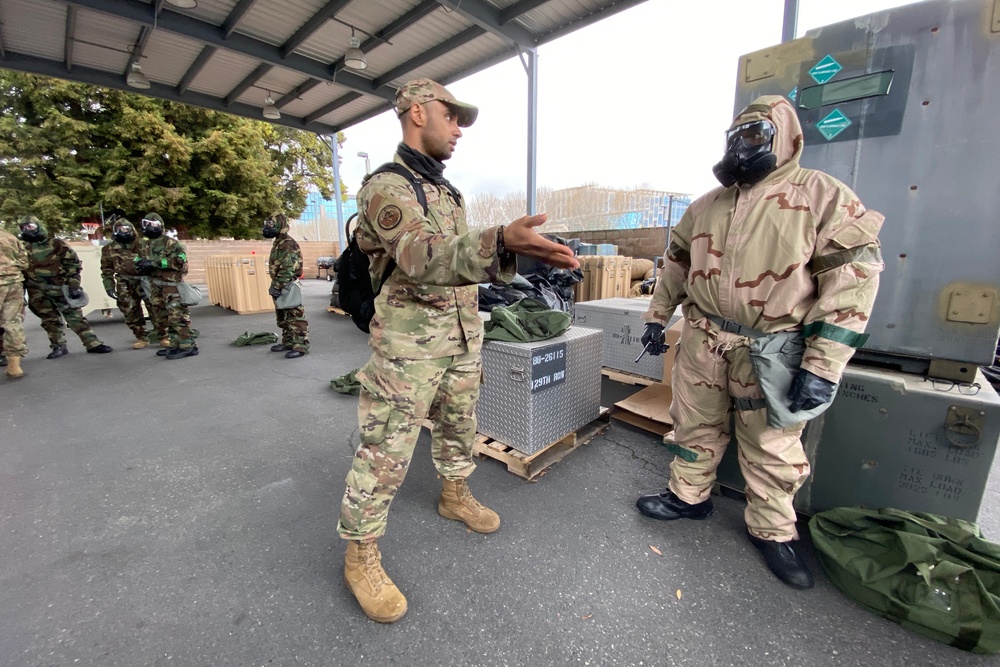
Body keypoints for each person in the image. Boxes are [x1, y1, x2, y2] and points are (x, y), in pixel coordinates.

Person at [336, 78, 578, 623]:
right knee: (385, 449)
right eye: (452, 115)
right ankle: (361, 554)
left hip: (462, 336)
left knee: (458, 425)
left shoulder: (446, 191)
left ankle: (454, 494)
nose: (459, 127)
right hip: (409, 347)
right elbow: (422, 257)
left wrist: (511, 255)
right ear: (417, 112)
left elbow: (458, 260)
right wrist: (501, 240)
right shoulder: (384, 189)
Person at [635, 95, 884, 590]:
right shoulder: (706, 205)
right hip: (703, 339)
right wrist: (657, 316)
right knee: (693, 424)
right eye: (738, 137)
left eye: (756, 136)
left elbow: (853, 282)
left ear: (785, 137)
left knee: (771, 443)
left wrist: (822, 364)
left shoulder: (822, 196)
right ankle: (688, 497)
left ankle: (773, 531)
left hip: (771, 347)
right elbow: (677, 265)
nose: (744, 147)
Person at [18, 216, 113, 358]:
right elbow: (18, 271)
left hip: (60, 287)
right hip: (36, 290)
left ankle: (92, 344)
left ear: (38, 226)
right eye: (24, 227)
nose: (27, 230)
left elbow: (73, 264)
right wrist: (20, 293)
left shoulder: (55, 244)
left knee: (75, 316)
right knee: (49, 320)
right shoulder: (21, 248)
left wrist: (73, 285)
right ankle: (58, 346)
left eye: (30, 226)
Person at [134, 213, 198, 360]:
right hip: (155, 285)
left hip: (172, 286)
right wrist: (141, 266)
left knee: (177, 316)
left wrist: (154, 263)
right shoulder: (144, 245)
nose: (150, 227)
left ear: (161, 226)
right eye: (146, 224)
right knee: (162, 317)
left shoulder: (172, 243)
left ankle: (188, 345)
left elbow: (180, 262)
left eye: (153, 224)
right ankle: (175, 344)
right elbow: (138, 261)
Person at [100, 216, 154, 349]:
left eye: (125, 229)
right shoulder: (109, 249)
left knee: (156, 307)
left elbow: (156, 261)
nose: (122, 231)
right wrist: (109, 286)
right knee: (129, 309)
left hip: (145, 279)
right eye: (119, 229)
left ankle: (164, 335)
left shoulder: (144, 244)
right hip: (124, 280)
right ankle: (142, 337)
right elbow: (106, 270)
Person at [263, 213, 309, 358]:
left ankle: (301, 346)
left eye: (270, 224)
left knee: (295, 316)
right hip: (281, 284)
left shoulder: (287, 243)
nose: (266, 228)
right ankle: (288, 342)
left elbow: (288, 267)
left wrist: (278, 285)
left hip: (287, 284)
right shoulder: (279, 242)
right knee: (284, 316)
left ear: (280, 225)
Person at [0, 227, 29, 378]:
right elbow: (24, 263)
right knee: (13, 322)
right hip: (14, 283)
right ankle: (14, 366)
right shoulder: (11, 237)